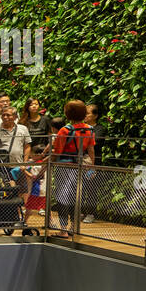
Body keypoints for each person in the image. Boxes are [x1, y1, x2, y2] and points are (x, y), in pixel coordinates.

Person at [49, 100, 95, 237]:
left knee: (63, 198)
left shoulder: (65, 130)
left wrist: (49, 163)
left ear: (68, 113)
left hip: (65, 167)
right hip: (80, 166)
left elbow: (57, 151)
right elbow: (91, 150)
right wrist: (92, 167)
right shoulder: (89, 129)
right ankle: (74, 228)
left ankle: (63, 230)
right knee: (76, 198)